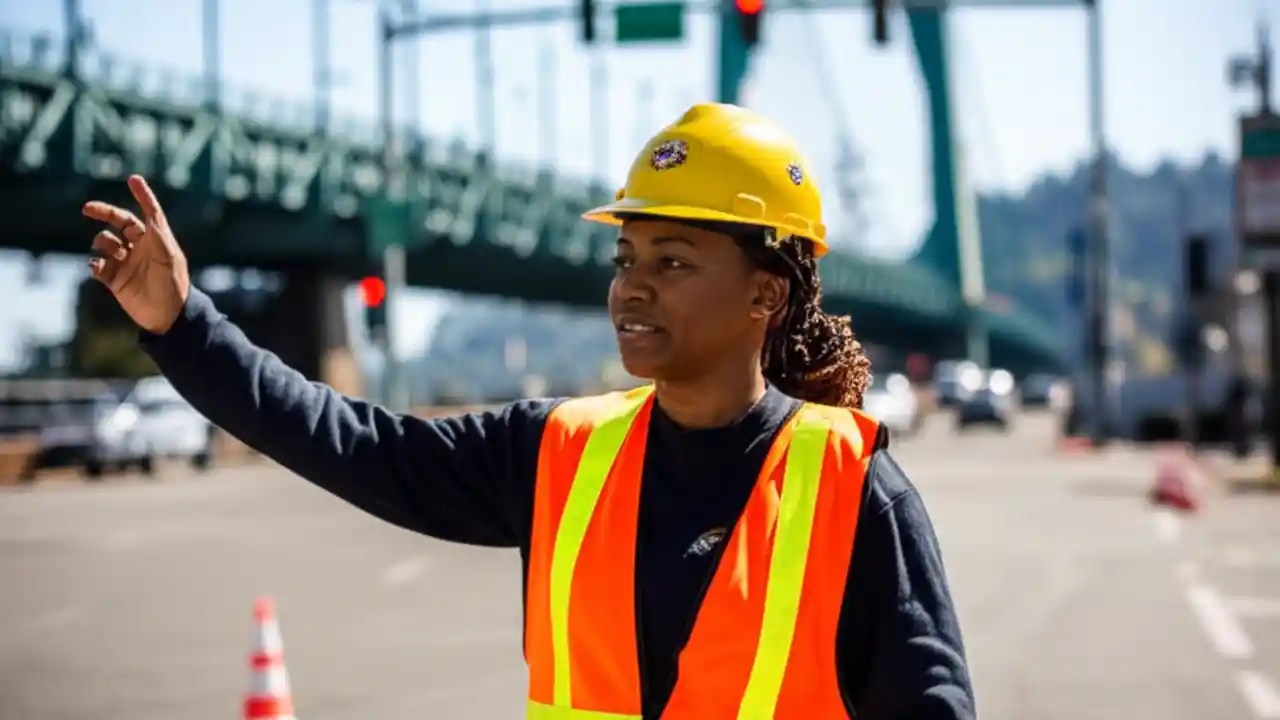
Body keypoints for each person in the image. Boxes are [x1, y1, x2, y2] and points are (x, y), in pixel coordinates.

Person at [82, 103, 975, 719]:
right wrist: (183, 325)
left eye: (673, 261)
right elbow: (351, 444)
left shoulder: (854, 492)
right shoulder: (556, 453)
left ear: (765, 294)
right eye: (625, 259)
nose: (631, 287)